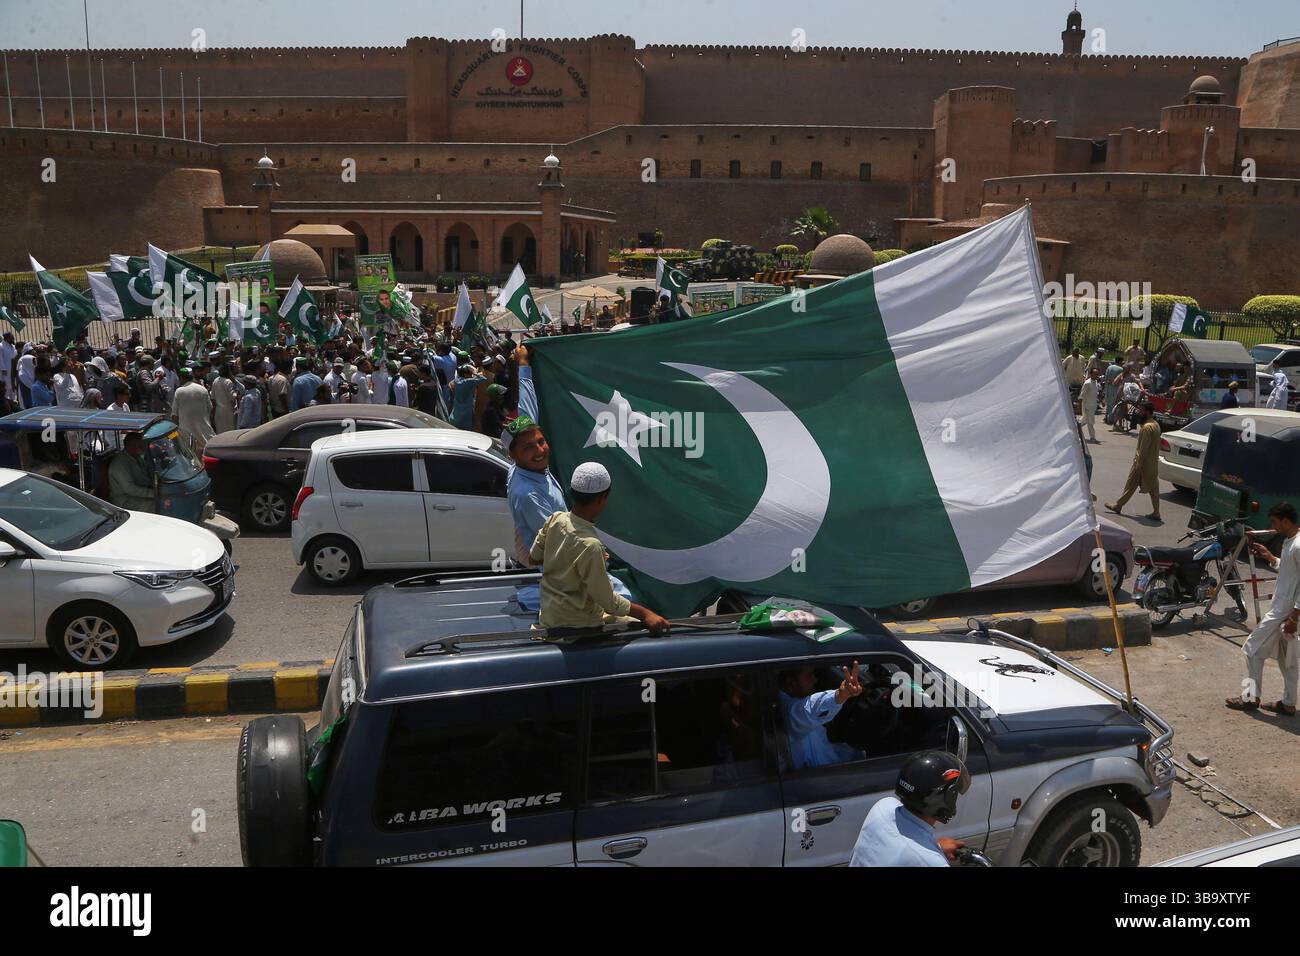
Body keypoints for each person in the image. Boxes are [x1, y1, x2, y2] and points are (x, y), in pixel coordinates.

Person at [528, 462, 670, 636]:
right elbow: (609, 603)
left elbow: (533, 558)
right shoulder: (591, 546)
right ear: (602, 498)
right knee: (638, 627)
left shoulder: (555, 519)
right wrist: (645, 614)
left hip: (550, 619)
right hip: (578, 627)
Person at [1226, 503, 1300, 717]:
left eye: (1275, 522)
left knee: (1251, 648)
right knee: (1289, 658)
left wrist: (1294, 617)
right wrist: (1270, 557)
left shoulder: (1297, 545)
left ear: (1286, 521)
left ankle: (1250, 698)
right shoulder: (1291, 542)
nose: (1273, 526)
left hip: (1285, 611)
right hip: (1287, 609)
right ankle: (1288, 704)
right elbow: (1289, 571)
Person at [849, 752, 970, 867]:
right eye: (954, 793)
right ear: (945, 798)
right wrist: (933, 854)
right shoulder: (933, 863)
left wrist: (936, 848)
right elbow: (916, 855)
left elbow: (895, 846)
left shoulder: (882, 807)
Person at [777, 661, 867, 768]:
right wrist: (840, 695)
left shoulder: (781, 702)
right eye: (809, 675)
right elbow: (810, 708)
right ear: (791, 683)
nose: (815, 680)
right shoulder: (790, 713)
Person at [1105, 401, 1162, 522]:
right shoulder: (1155, 424)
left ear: (1147, 412)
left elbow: (1143, 448)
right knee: (1153, 488)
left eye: (1141, 411)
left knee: (1131, 485)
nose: (1138, 413)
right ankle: (1156, 512)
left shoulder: (1147, 428)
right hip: (1152, 464)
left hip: (1142, 464)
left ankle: (1118, 505)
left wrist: (1138, 465)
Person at [107, 432, 157, 513]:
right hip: (124, 501)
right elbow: (130, 489)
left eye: (142, 445)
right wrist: (153, 493)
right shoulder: (119, 464)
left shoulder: (136, 457)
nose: (142, 448)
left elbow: (146, 472)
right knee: (157, 506)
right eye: (139, 445)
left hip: (139, 494)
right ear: (130, 446)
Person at [171, 367, 215, 455]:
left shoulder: (179, 391)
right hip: (205, 433)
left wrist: (174, 435)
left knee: (193, 462)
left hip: (187, 436)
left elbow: (174, 416)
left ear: (182, 378)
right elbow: (210, 410)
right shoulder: (203, 389)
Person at [1079, 367, 1101, 442]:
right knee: (1090, 422)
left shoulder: (1096, 382)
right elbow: (1082, 395)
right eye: (1095, 374)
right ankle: (1093, 438)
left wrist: (1101, 401)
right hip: (1087, 405)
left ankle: (1075, 429)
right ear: (1091, 374)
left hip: (1093, 405)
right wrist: (1080, 406)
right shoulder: (1087, 383)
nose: (1096, 375)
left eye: (1097, 374)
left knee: (1084, 421)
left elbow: (1096, 394)